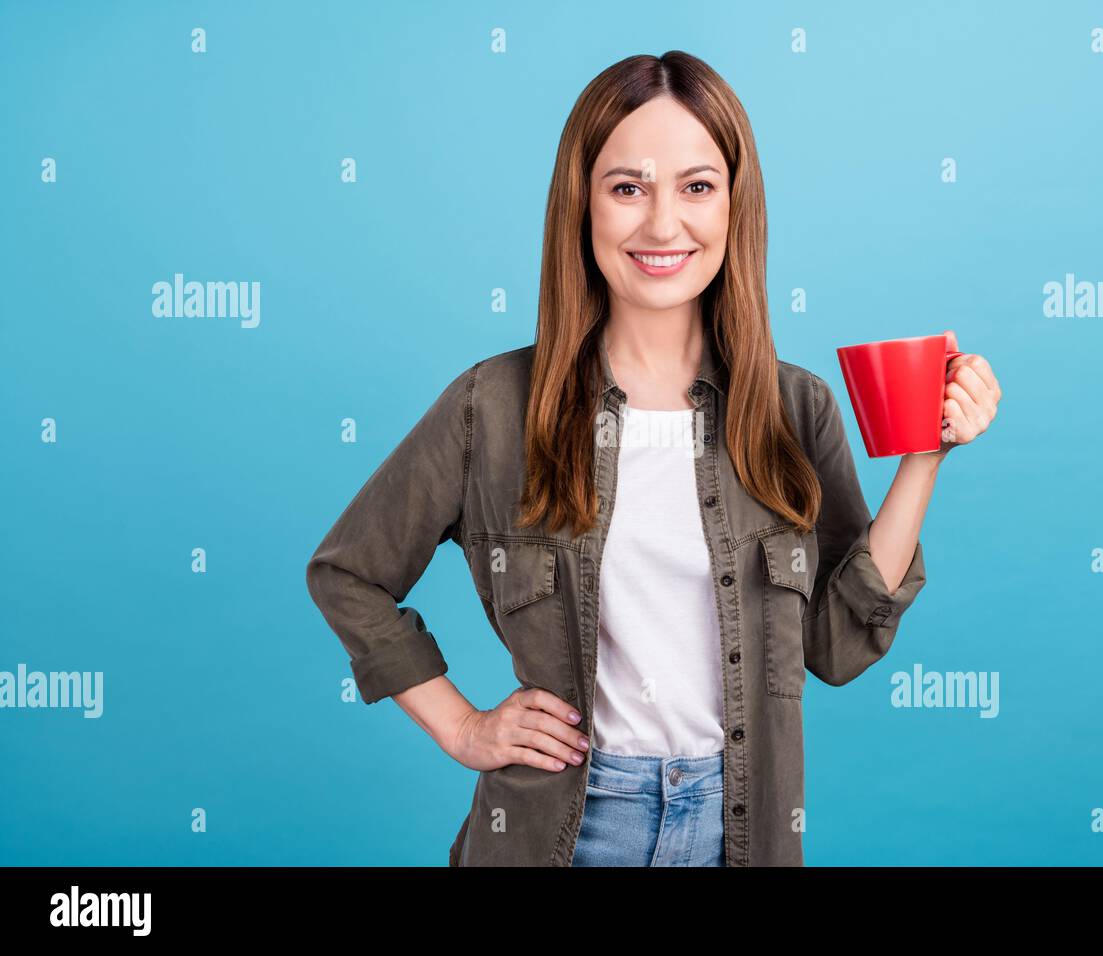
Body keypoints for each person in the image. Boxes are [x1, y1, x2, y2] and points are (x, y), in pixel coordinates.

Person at [305, 50, 1002, 867]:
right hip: (563, 831)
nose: (663, 225)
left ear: (736, 208)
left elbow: (837, 647)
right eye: (628, 187)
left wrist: (923, 460)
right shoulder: (491, 405)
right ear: (583, 206)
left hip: (740, 831)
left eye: (697, 187)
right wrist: (463, 726)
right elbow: (348, 573)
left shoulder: (794, 408)